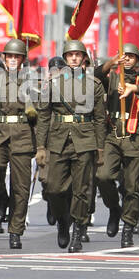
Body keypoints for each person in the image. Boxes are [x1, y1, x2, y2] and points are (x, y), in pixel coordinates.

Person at [37, 40, 107, 253]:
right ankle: (62, 221)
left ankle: (78, 231)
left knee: (82, 190)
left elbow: (99, 119)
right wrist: (41, 146)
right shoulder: (53, 83)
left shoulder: (94, 85)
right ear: (65, 58)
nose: (74, 58)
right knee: (53, 188)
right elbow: (43, 115)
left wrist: (100, 148)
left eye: (78, 55)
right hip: (58, 140)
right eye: (70, 55)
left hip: (84, 140)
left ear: (84, 58)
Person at [95, 44, 139, 247]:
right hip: (114, 135)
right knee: (103, 176)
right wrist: (111, 63)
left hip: (135, 136)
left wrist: (135, 88)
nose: (128, 60)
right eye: (125, 56)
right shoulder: (113, 77)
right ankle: (114, 208)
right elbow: (97, 75)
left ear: (138, 60)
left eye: (132, 57)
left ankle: (128, 227)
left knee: (133, 187)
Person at [0, 38, 38, 249]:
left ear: (22, 59)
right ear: (4, 59)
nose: (13, 59)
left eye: (17, 56)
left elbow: (42, 117)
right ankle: (2, 199)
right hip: (0, 135)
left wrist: (40, 146)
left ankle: (15, 230)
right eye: (10, 56)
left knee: (21, 187)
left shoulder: (32, 83)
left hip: (23, 136)